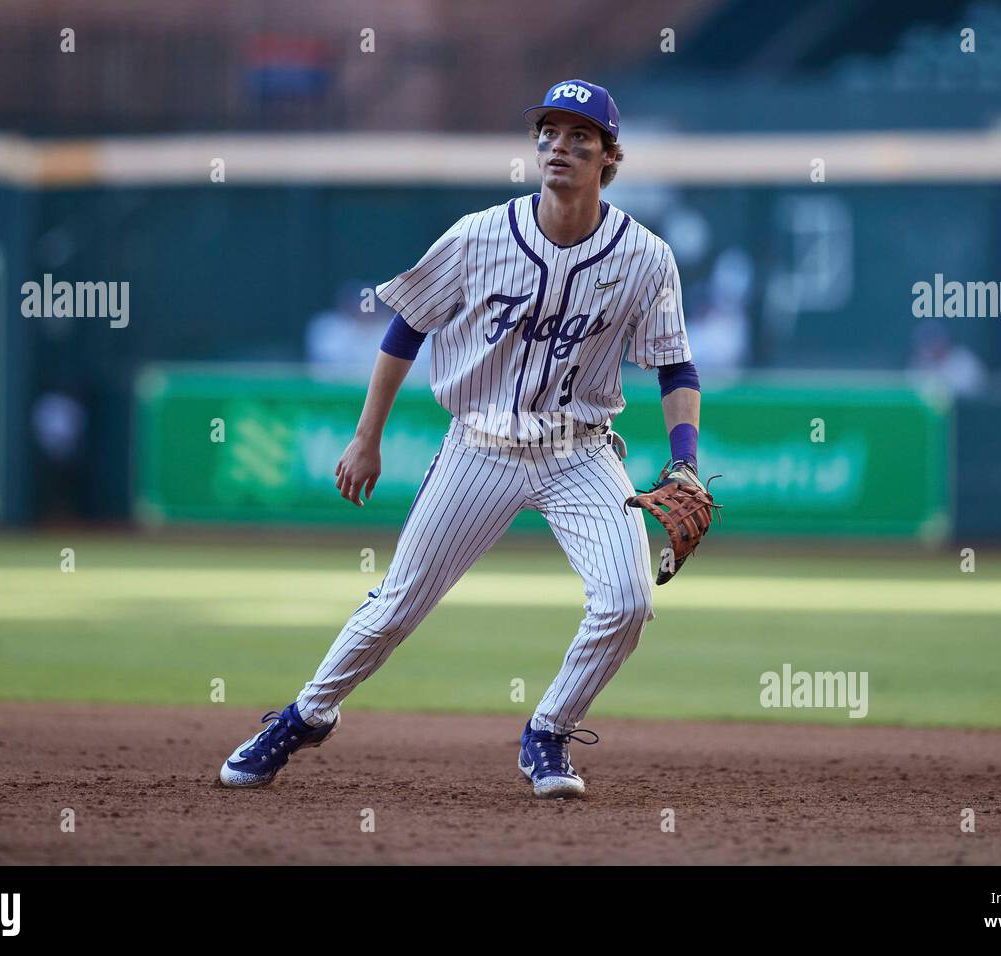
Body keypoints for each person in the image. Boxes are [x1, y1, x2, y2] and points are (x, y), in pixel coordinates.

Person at [218, 79, 704, 799]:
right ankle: (303, 717)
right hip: (480, 443)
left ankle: (547, 732)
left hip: (582, 450)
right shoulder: (479, 235)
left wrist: (686, 462)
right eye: (549, 133)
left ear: (609, 157)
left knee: (629, 602)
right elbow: (406, 327)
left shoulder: (645, 256)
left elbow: (674, 364)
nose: (559, 147)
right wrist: (366, 437)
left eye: (580, 137)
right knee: (397, 605)